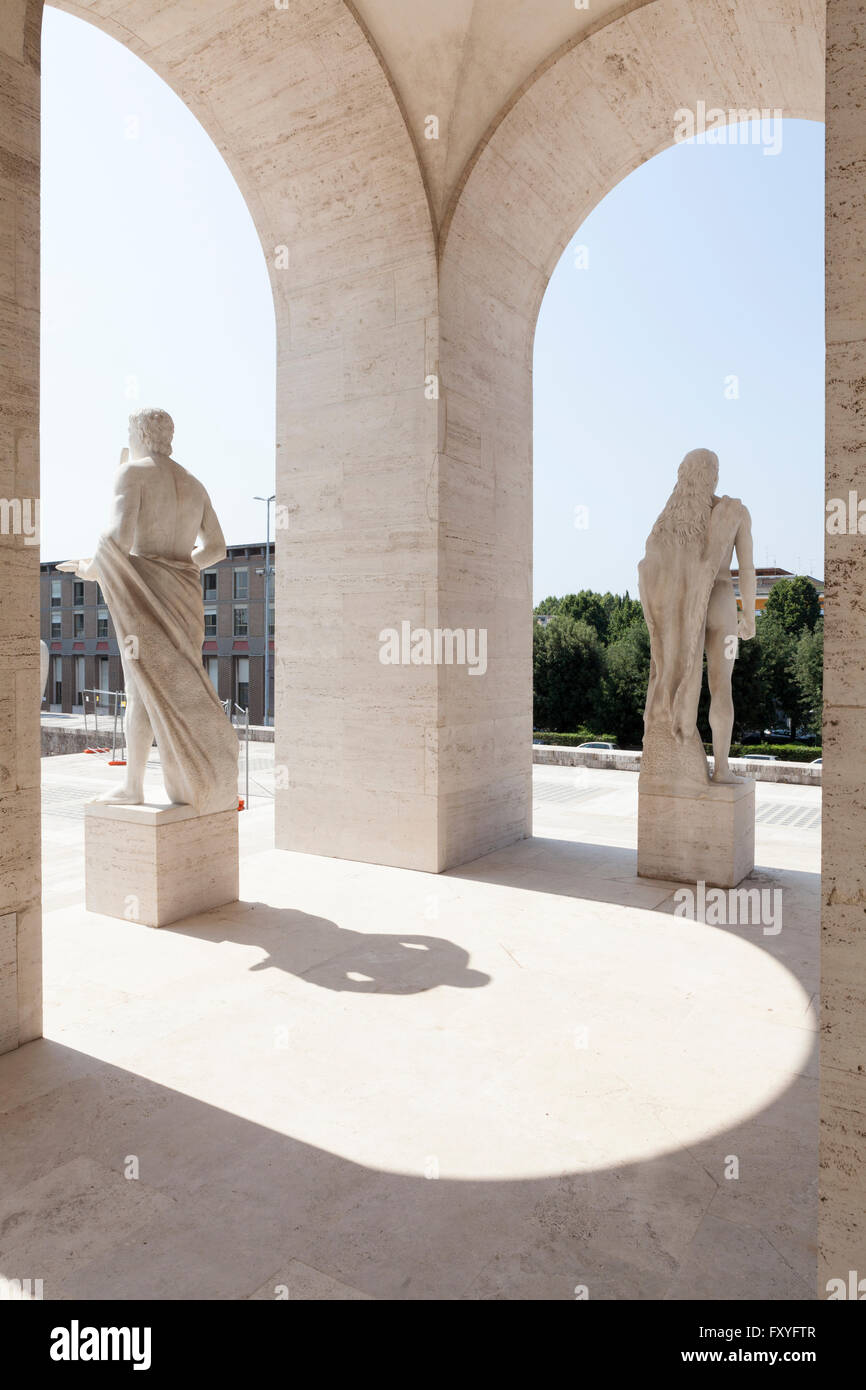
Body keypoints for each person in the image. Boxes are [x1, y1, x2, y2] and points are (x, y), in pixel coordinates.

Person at [58, 408, 238, 813]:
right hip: (185, 597)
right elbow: (217, 549)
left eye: (128, 430)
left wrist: (89, 568)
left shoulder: (132, 473)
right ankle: (187, 774)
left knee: (139, 689)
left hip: (146, 596)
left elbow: (117, 541)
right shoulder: (193, 484)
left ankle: (133, 785)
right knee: (178, 682)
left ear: (139, 433)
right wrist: (181, 564)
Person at [638, 448, 756, 787]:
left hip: (684, 611)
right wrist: (749, 616)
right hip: (721, 607)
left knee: (688, 673)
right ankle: (721, 768)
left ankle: (674, 729)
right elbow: (746, 570)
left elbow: (651, 572)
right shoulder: (735, 512)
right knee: (723, 687)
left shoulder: (667, 523)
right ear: (714, 475)